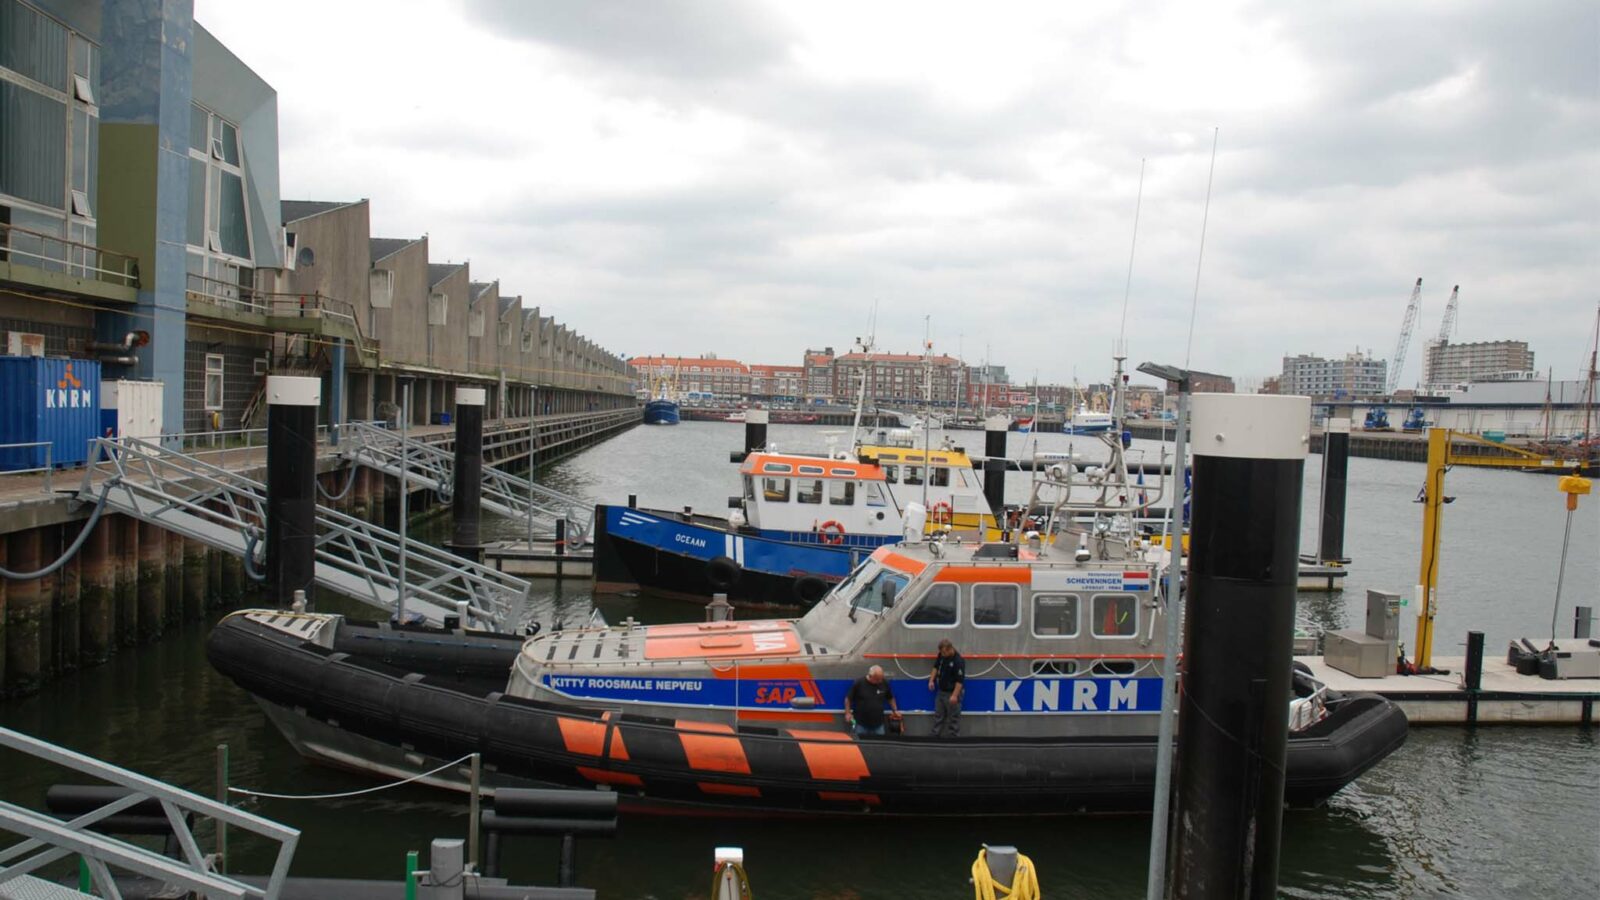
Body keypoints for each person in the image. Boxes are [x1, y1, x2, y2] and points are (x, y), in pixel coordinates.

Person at [843, 665, 900, 737]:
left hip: (878, 725)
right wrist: (847, 713)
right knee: (860, 745)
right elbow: (848, 699)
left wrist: (895, 710)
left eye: (881, 678)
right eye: (877, 679)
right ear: (870, 676)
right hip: (861, 724)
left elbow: (890, 698)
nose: (880, 681)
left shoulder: (884, 683)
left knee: (879, 745)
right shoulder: (859, 683)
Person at [929, 639, 965, 738]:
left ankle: (954, 738)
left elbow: (959, 681)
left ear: (950, 650)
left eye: (944, 653)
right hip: (941, 691)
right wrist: (931, 680)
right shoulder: (941, 655)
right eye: (941, 652)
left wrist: (954, 695)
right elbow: (936, 667)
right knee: (938, 716)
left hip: (952, 692)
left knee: (953, 718)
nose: (942, 655)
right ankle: (934, 736)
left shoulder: (958, 661)